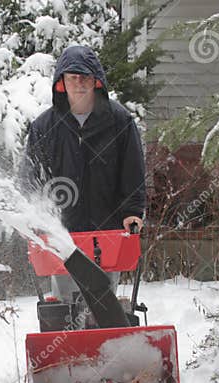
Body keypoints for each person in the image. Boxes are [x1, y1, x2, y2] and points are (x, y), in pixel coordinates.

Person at [20, 45, 147, 302]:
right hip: (62, 234)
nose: (79, 84)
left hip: (107, 231)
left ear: (96, 81)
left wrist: (132, 212)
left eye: (85, 77)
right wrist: (35, 220)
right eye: (72, 78)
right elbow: (30, 177)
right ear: (61, 83)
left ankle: (107, 340)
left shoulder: (118, 122)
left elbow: (132, 171)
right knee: (65, 304)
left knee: (104, 302)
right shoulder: (44, 127)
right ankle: (67, 340)